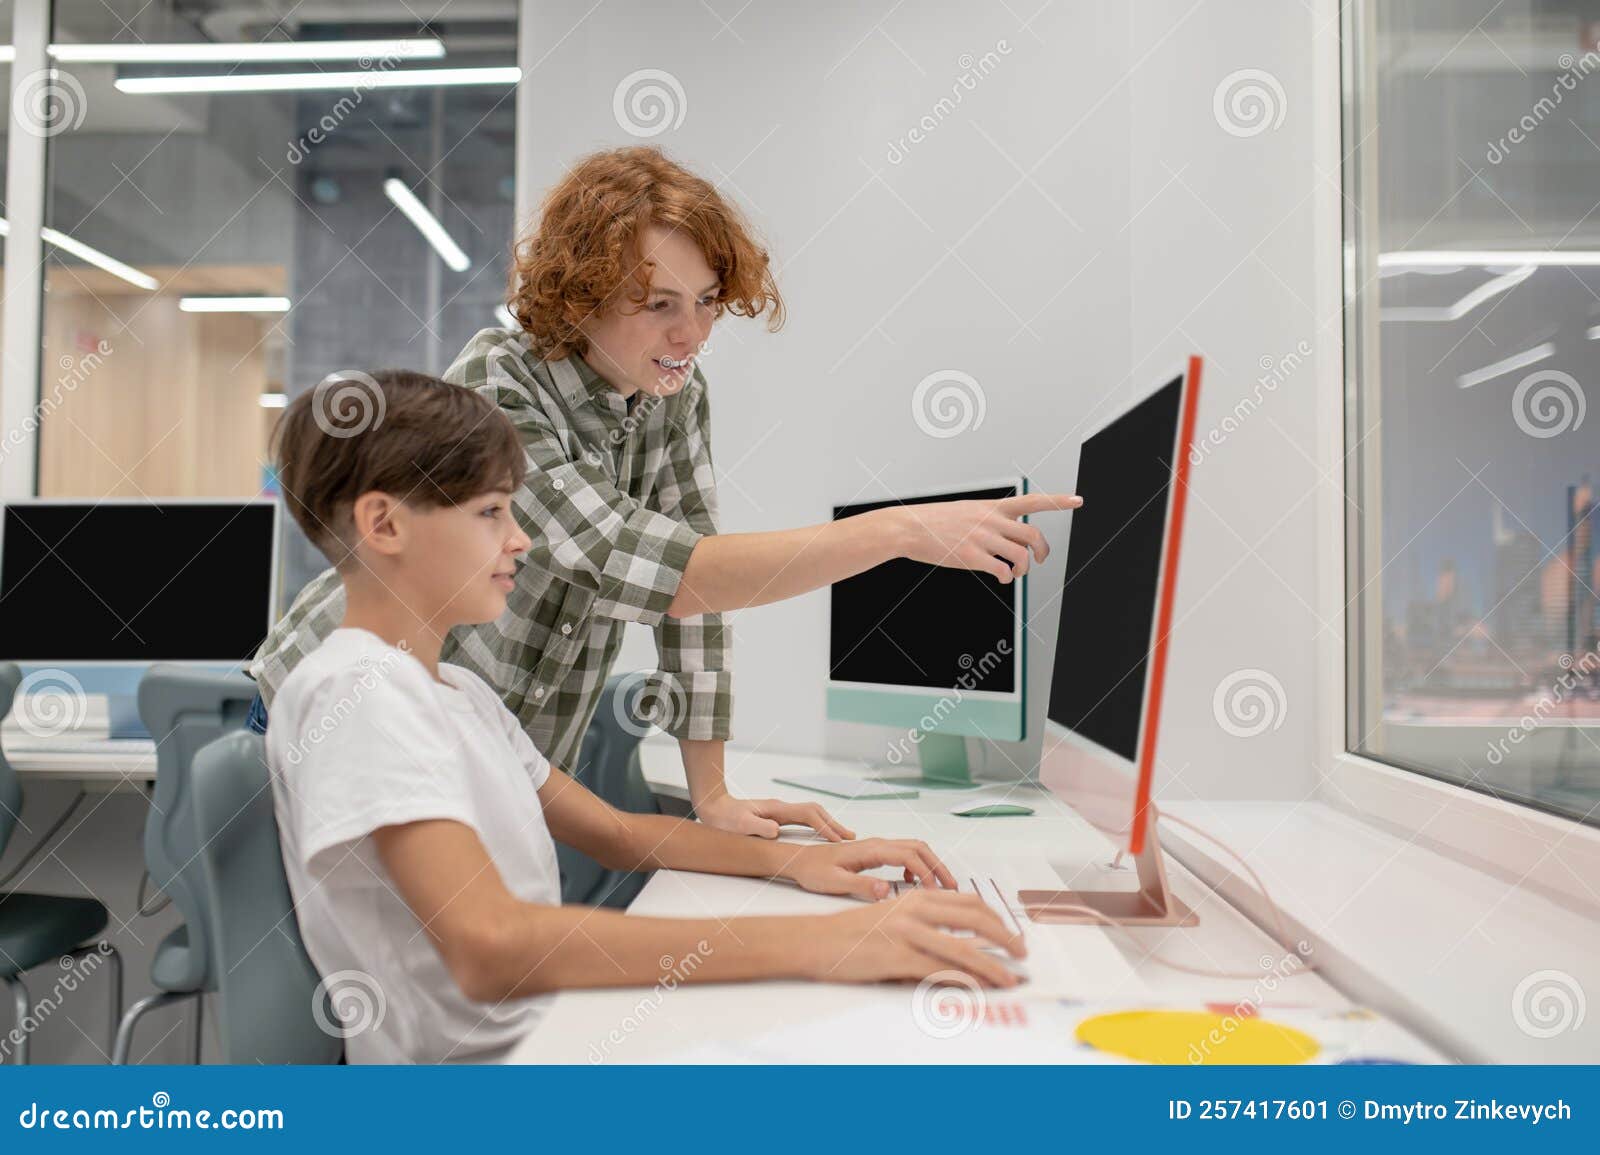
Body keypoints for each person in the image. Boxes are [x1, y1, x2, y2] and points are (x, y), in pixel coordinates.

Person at [249, 144, 1080, 843]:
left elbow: (694, 606)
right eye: (659, 305)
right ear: (579, 295)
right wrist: (895, 533)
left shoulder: (673, 397)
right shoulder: (499, 384)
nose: (693, 334)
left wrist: (712, 795)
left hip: (490, 750)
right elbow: (641, 564)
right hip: (346, 718)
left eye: (708, 302)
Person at [265, 369, 1025, 1063]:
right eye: (491, 512)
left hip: (552, 1034)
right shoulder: (359, 694)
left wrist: (795, 863)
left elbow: (620, 835)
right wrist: (823, 942)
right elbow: (491, 946)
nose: (520, 538)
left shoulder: (456, 692)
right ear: (385, 525)